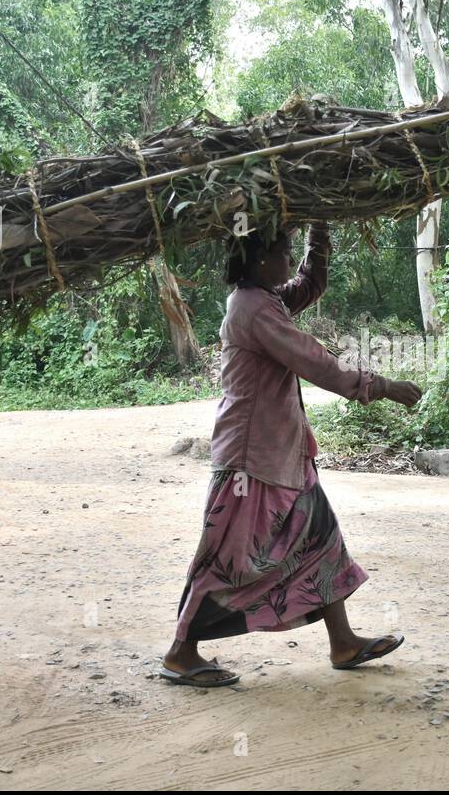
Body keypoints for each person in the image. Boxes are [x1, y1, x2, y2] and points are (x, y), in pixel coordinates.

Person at [161, 219, 423, 687]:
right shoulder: (253, 310)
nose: (287, 261)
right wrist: (379, 386)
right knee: (227, 558)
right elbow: (313, 360)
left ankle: (342, 642)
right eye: (282, 252)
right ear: (260, 260)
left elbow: (309, 284)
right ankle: (181, 652)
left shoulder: (265, 300)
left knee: (320, 537)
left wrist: (319, 233)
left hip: (284, 454)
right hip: (250, 461)